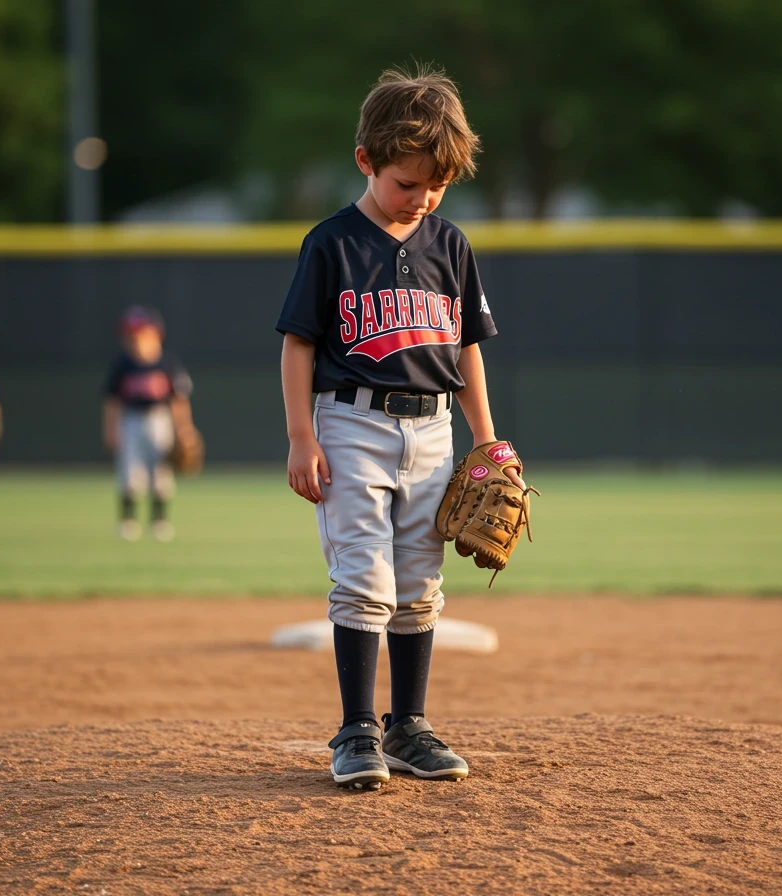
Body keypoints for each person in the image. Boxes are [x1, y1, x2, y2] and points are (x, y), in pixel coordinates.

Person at [276, 67, 526, 790]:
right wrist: (301, 435)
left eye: (436, 186)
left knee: (419, 584)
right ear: (367, 161)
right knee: (364, 578)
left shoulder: (449, 244)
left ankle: (407, 727)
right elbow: (297, 343)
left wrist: (486, 438)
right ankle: (356, 731)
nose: (421, 199)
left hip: (434, 428)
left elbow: (466, 347)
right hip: (350, 423)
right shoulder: (331, 244)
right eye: (406, 183)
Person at [103, 306, 195, 542]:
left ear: (156, 334)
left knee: (161, 474)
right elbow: (112, 402)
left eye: (139, 334)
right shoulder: (122, 364)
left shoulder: (167, 362)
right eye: (129, 336)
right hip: (130, 420)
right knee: (130, 475)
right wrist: (111, 429)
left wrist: (184, 430)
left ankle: (160, 521)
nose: (133, 340)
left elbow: (179, 401)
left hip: (160, 420)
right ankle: (128, 521)